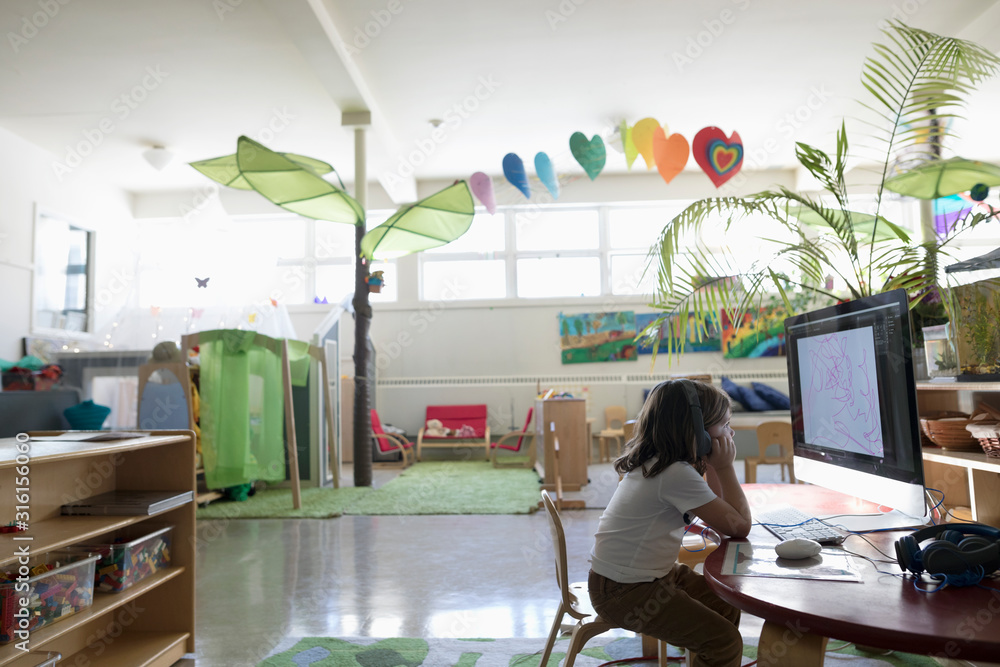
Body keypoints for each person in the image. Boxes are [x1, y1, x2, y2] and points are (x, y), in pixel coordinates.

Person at [588, 379, 751, 667]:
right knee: (722, 641)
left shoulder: (661, 461)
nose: (731, 432)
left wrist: (713, 464)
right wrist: (724, 467)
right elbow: (738, 527)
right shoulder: (674, 473)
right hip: (623, 591)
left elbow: (721, 509)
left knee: (725, 605)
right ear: (697, 430)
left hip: (638, 578)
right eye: (725, 425)